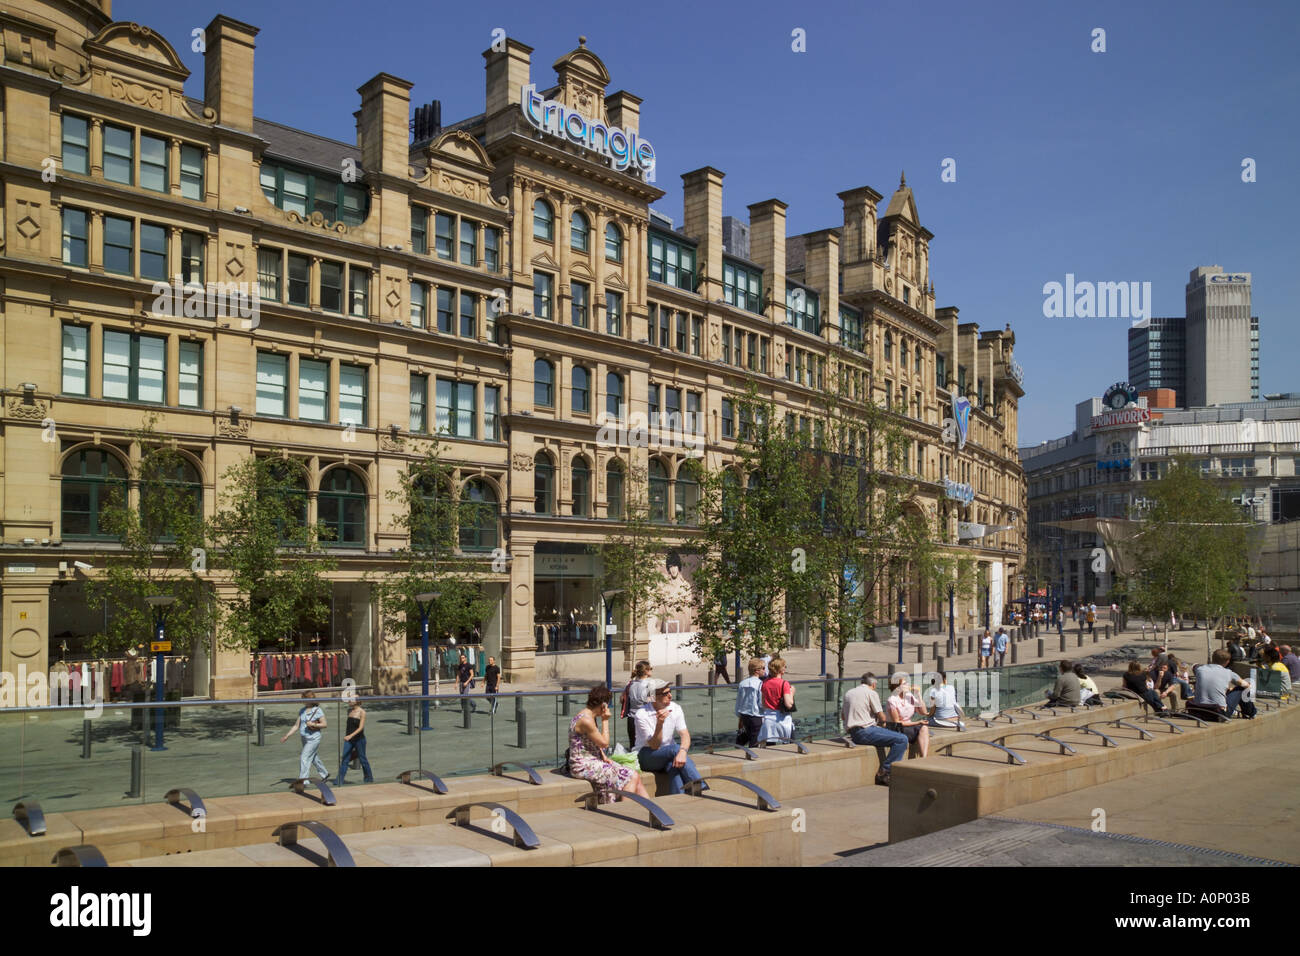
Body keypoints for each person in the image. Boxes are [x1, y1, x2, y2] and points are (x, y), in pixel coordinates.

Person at [570, 685, 649, 800]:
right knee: (630, 776)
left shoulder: (589, 716)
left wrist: (603, 756)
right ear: (604, 705)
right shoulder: (586, 720)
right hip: (582, 766)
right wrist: (605, 720)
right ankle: (625, 811)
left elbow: (593, 744)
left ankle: (650, 810)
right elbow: (604, 743)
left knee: (635, 775)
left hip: (593, 761)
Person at [634, 683, 704, 794]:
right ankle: (702, 787)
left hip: (669, 754)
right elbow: (654, 745)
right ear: (654, 697)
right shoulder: (641, 714)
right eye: (665, 693)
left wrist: (683, 752)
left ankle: (678, 798)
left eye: (670, 691)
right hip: (646, 755)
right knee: (675, 749)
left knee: (673, 766)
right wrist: (659, 724)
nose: (670, 695)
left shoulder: (675, 708)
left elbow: (685, 734)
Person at [842, 673, 908, 786]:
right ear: (873, 684)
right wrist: (883, 724)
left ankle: (885, 771)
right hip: (866, 731)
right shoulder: (871, 693)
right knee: (902, 739)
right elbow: (882, 717)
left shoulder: (849, 693)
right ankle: (885, 772)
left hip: (853, 733)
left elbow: (843, 716)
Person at [280, 690, 329, 782]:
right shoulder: (302, 711)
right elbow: (296, 726)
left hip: (314, 738)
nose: (302, 700)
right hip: (304, 738)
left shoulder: (318, 710)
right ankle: (325, 774)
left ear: (310, 699)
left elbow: (324, 724)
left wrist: (313, 725)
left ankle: (303, 781)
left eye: (304, 698)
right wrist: (287, 736)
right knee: (313, 757)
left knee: (304, 757)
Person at [1193, 649, 1256, 719]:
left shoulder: (1200, 669)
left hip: (1198, 710)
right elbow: (1247, 686)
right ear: (1227, 662)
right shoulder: (1229, 673)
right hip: (1218, 712)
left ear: (1212, 659)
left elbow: (1194, 666)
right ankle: (1251, 712)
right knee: (1241, 688)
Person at [886, 673, 929, 758]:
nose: (908, 685)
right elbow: (897, 722)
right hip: (896, 728)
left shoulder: (909, 696)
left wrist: (918, 695)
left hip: (908, 726)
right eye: (905, 684)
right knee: (922, 728)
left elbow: (923, 712)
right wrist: (917, 722)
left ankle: (924, 758)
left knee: (924, 728)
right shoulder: (892, 700)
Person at [334, 692, 373, 785]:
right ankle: (339, 780)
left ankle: (369, 778)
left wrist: (350, 736)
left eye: (351, 699)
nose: (349, 701)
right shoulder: (349, 711)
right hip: (349, 740)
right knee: (345, 759)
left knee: (363, 759)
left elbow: (360, 728)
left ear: (357, 701)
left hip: (359, 739)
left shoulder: (362, 712)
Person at [759, 657, 796, 742]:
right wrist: (792, 692)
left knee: (769, 746)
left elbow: (763, 703)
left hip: (768, 719)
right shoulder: (784, 683)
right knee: (790, 745)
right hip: (782, 719)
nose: (785, 668)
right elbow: (788, 704)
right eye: (784, 666)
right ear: (780, 669)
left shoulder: (765, 683)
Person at [621, 660, 653, 749]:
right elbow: (653, 703)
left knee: (633, 746)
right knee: (648, 746)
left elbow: (622, 699)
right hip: (645, 718)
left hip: (631, 719)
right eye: (651, 668)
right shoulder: (650, 684)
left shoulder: (630, 684)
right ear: (646, 671)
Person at [734, 659, 765, 747]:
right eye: (763, 668)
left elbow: (739, 701)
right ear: (757, 671)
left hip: (744, 716)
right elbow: (760, 703)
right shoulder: (760, 684)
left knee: (744, 738)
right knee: (755, 742)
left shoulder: (743, 683)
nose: (764, 670)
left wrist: (739, 715)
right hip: (756, 716)